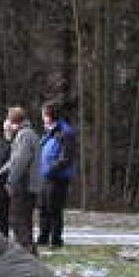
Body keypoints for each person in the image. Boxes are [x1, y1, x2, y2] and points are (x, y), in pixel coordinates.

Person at [0, 107, 41, 254]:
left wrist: (11, 181)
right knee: (25, 219)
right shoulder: (27, 134)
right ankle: (30, 251)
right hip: (29, 184)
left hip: (24, 184)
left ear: (12, 121)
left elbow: (20, 161)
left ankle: (25, 251)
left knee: (18, 219)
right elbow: (14, 160)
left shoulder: (24, 135)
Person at [38, 101, 78, 247]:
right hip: (44, 176)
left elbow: (66, 157)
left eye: (44, 114)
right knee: (43, 207)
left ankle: (56, 239)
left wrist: (50, 168)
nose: (42, 117)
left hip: (57, 177)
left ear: (49, 116)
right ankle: (43, 237)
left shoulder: (65, 132)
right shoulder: (49, 131)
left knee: (54, 209)